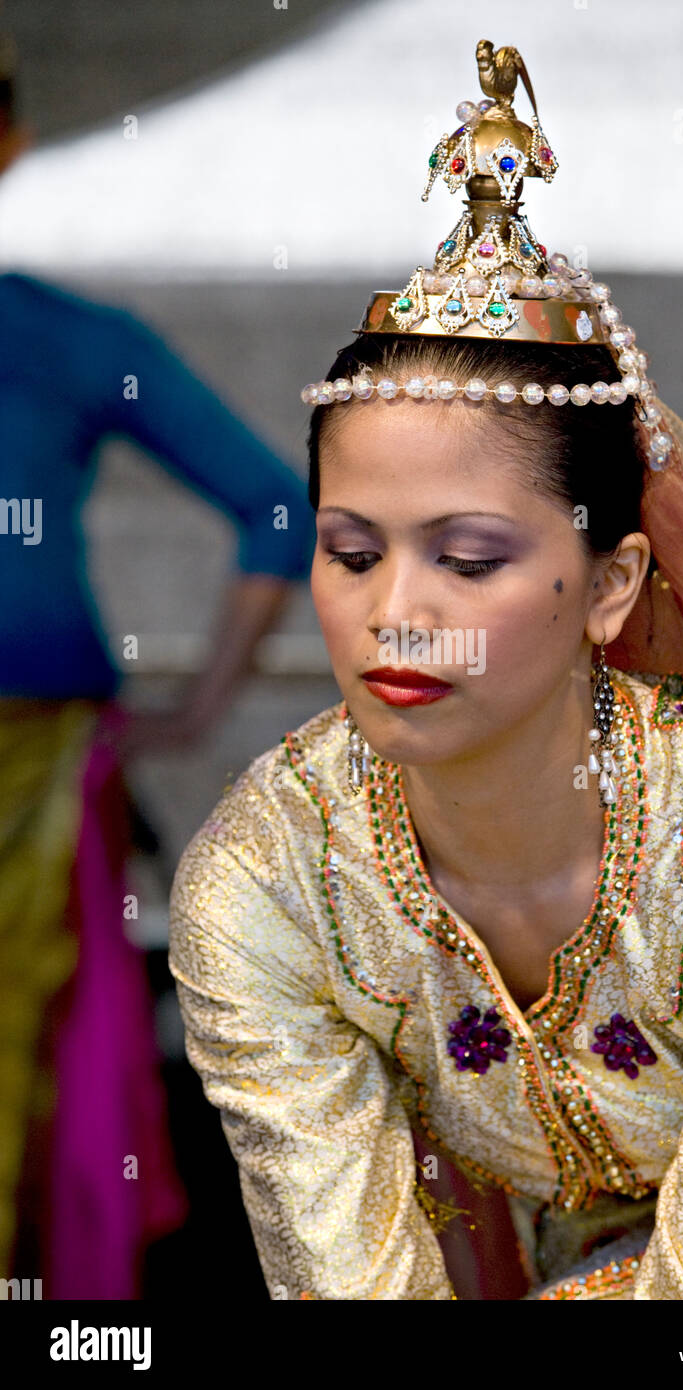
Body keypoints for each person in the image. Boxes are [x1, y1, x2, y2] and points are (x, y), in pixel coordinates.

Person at [168, 39, 683, 1300]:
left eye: (470, 559)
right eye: (351, 552)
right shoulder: (268, 880)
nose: (394, 615)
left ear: (611, 585)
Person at [0, 31, 317, 1297]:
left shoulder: (74, 339)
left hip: (45, 763)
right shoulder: (76, 339)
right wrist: (193, 707)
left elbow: (281, 510)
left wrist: (193, 709)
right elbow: (278, 508)